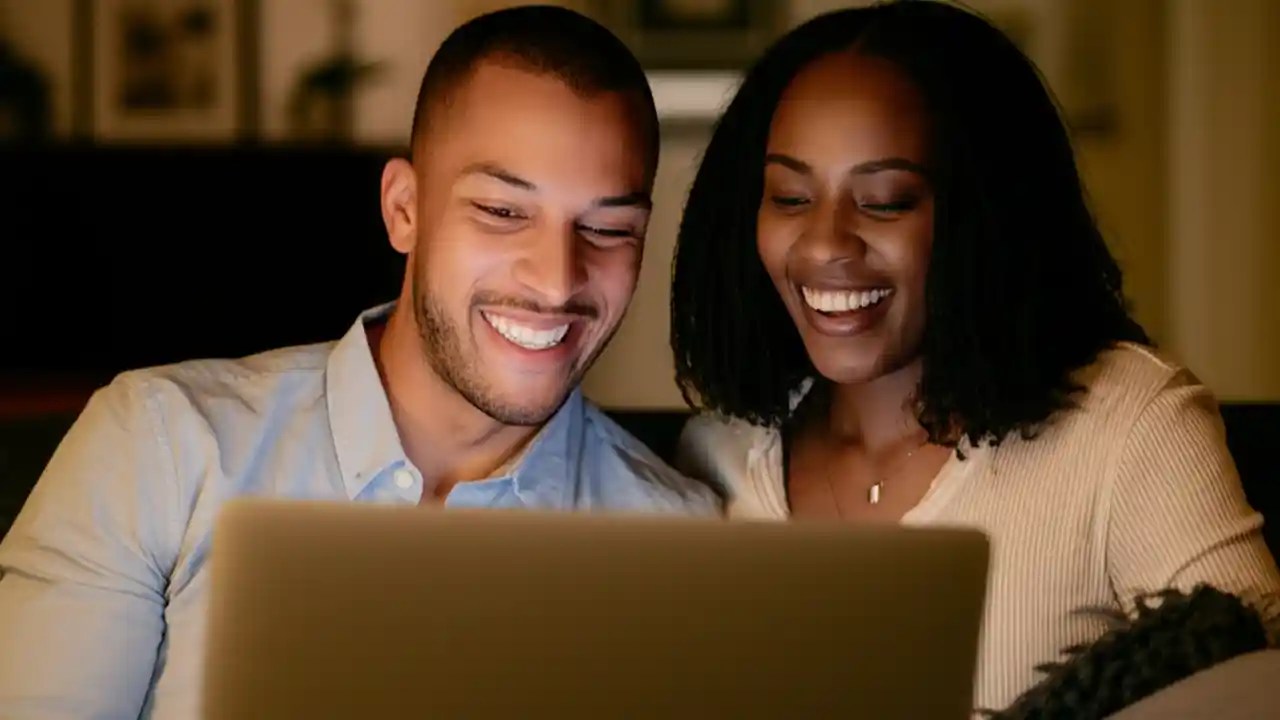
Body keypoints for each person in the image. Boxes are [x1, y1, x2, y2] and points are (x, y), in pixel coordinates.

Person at [0, 6, 719, 718]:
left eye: (607, 228)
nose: (558, 281)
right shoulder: (158, 447)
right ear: (403, 208)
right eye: (502, 212)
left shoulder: (682, 547)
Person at [669, 0, 1280, 713]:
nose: (826, 243)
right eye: (791, 196)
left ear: (985, 217)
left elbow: (1253, 678)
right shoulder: (715, 461)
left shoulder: (1128, 427)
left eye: (886, 201)